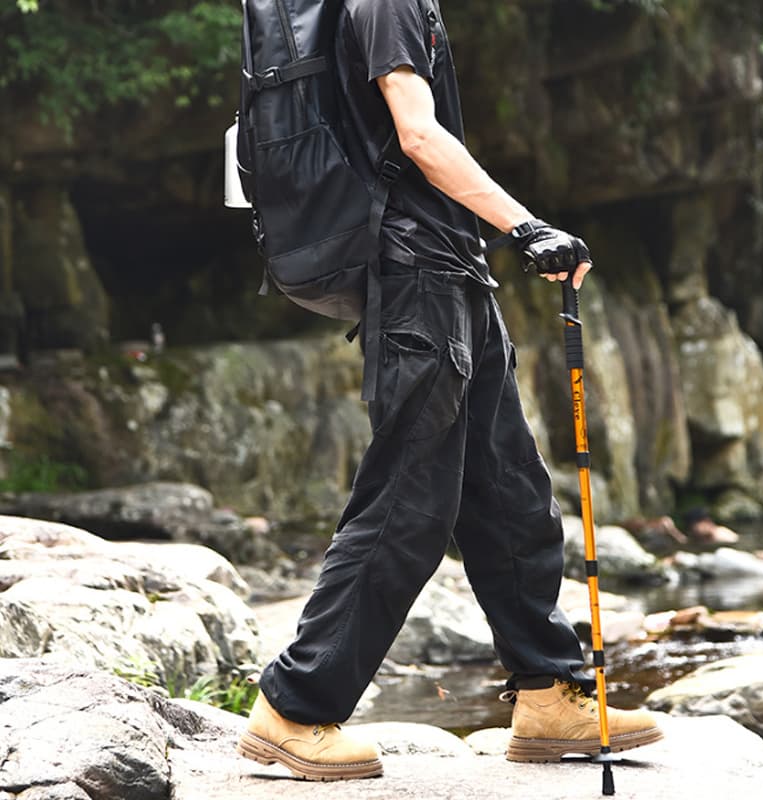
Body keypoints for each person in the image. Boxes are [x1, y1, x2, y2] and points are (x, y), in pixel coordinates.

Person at [236, 0, 663, 780]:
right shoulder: (387, 2)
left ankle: (547, 693)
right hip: (415, 277)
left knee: (510, 490)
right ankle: (293, 709)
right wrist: (527, 226)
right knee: (408, 503)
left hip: (453, 271)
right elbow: (419, 134)